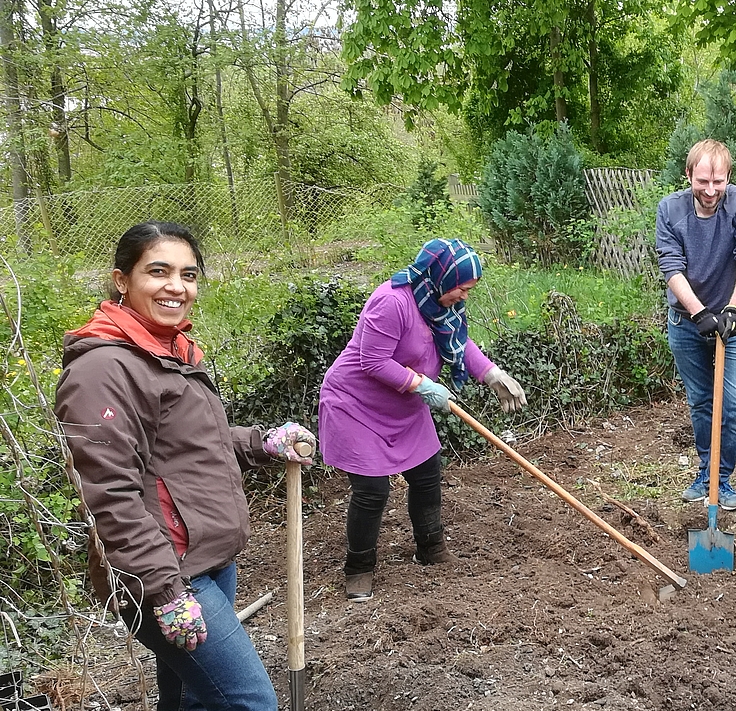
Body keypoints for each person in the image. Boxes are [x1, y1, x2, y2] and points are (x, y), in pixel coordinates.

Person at [55, 221, 316, 711]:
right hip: (164, 573)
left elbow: (189, 447)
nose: (177, 286)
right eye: (158, 271)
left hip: (206, 558)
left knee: (194, 697)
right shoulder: (102, 370)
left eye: (188, 274)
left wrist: (263, 443)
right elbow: (109, 495)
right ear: (121, 280)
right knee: (249, 701)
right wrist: (165, 591)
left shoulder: (169, 350)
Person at [319, 238, 527, 602]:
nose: (464, 297)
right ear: (441, 276)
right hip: (355, 405)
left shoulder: (439, 306)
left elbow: (460, 342)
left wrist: (491, 373)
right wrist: (423, 384)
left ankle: (430, 548)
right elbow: (373, 361)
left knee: (426, 475)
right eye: (461, 289)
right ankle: (359, 568)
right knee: (372, 491)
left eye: (469, 291)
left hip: (403, 406)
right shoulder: (392, 301)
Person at [656, 139, 736, 511]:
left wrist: (732, 309)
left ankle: (722, 478)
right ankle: (707, 474)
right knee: (702, 401)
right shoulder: (670, 209)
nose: (711, 190)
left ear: (729, 178)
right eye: (702, 181)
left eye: (718, 181)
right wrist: (700, 313)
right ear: (688, 175)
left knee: (734, 405)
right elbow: (671, 266)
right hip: (687, 324)